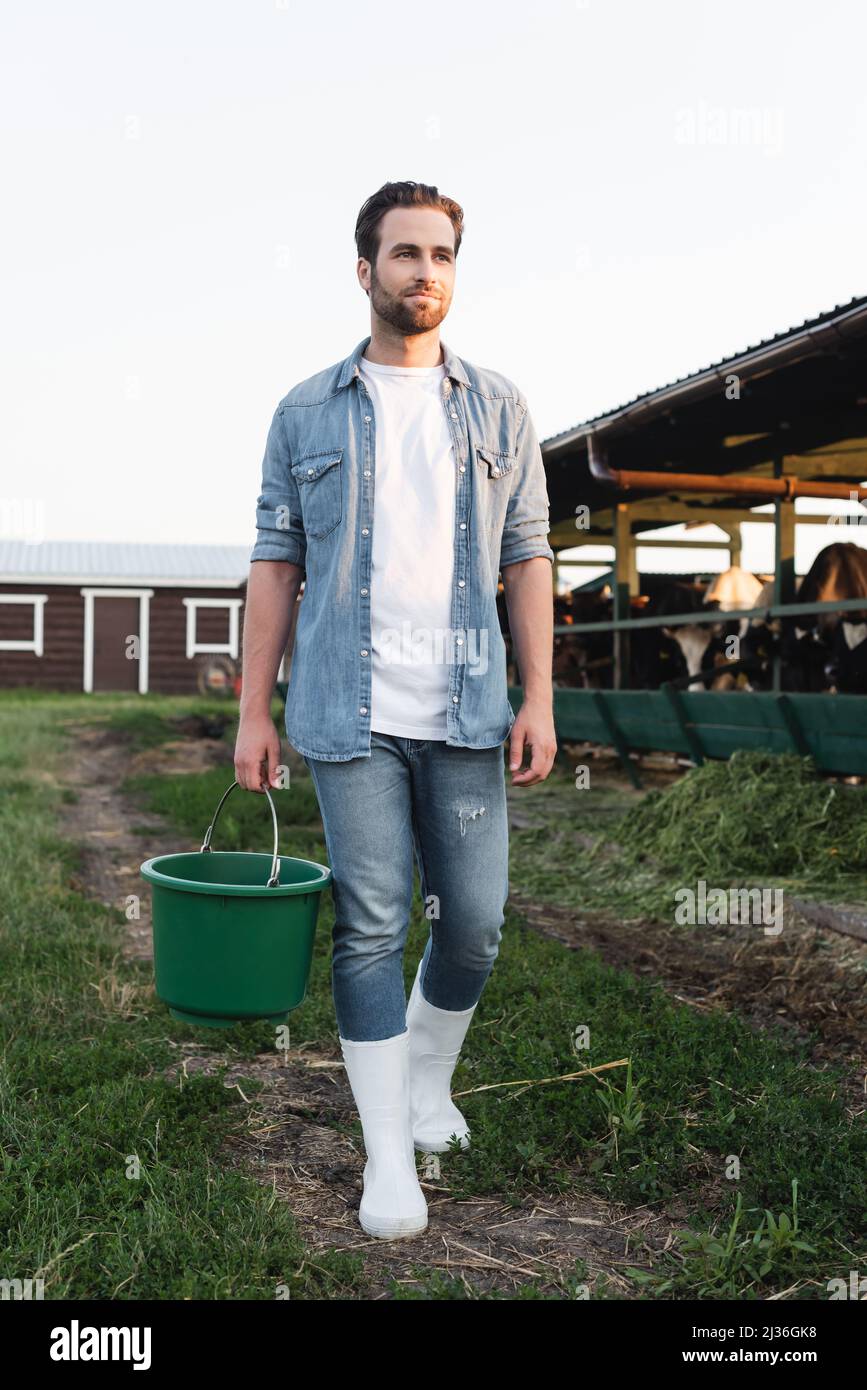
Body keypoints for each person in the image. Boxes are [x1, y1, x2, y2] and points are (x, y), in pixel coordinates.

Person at [235, 180, 556, 1240]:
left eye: (444, 255)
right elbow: (276, 565)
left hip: (467, 708)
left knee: (471, 927)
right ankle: (385, 1161)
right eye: (406, 253)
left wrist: (538, 695)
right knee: (371, 926)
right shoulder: (305, 411)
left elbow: (528, 558)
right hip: (348, 712)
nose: (427, 273)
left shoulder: (501, 407)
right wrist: (255, 711)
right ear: (364, 269)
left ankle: (427, 1085)